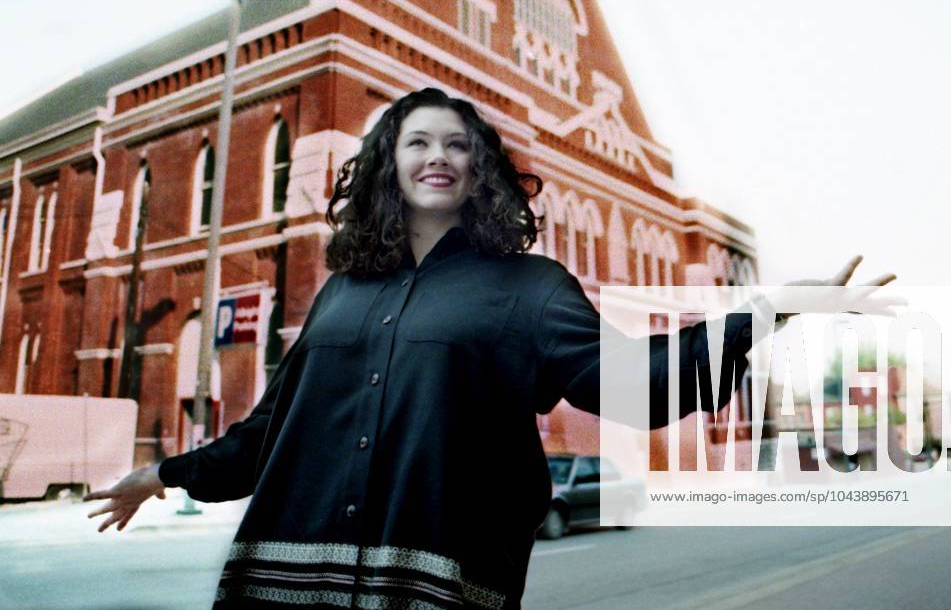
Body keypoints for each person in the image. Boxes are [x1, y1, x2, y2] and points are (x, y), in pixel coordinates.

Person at [85, 88, 895, 608]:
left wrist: (770, 311)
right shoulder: (340, 293)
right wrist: (162, 475)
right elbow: (270, 431)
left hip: (432, 591)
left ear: (481, 172)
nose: (437, 156)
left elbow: (635, 384)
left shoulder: (528, 289)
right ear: (388, 163)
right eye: (417, 142)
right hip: (284, 588)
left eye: (457, 145)